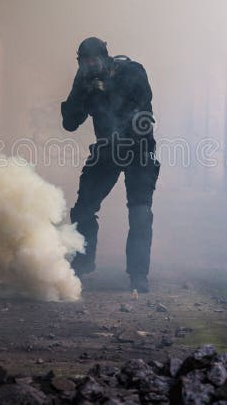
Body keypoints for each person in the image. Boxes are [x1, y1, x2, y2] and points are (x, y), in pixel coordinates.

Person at [61, 37, 160, 293]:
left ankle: (138, 275)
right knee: (83, 209)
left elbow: (144, 115)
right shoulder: (84, 81)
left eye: (94, 60)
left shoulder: (132, 72)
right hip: (107, 151)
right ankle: (83, 263)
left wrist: (108, 90)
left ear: (105, 58)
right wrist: (84, 93)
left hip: (138, 151)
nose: (90, 65)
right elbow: (70, 123)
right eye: (84, 62)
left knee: (140, 214)